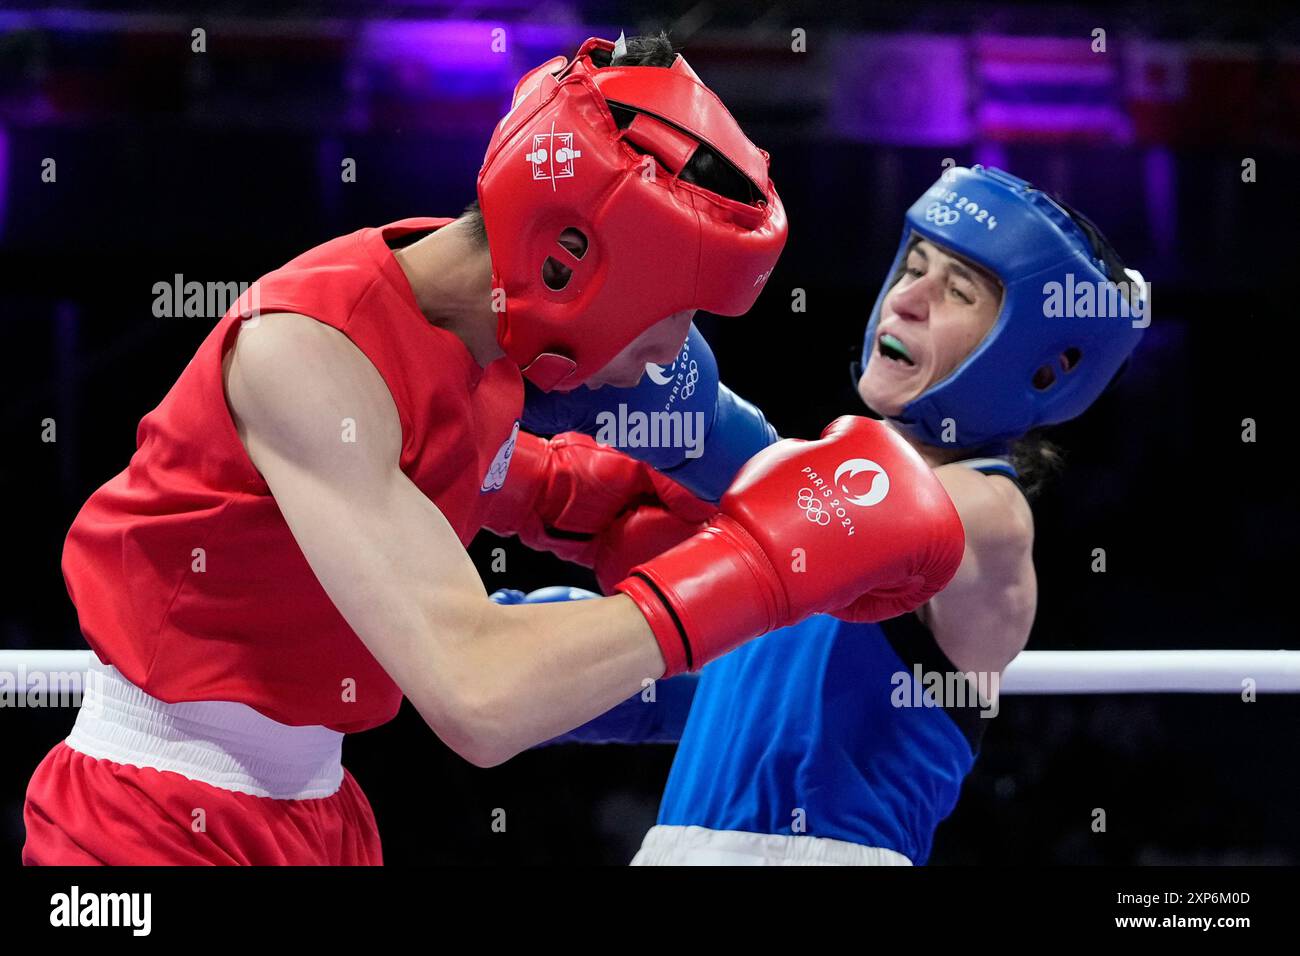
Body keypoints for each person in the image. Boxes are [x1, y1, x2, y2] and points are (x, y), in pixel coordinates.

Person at [21, 34, 964, 865]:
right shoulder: (304, 356)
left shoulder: (478, 343)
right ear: (569, 260)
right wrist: (758, 563)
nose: (676, 350)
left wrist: (611, 505)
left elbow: (479, 473)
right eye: (676, 308)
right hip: (147, 814)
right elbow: (479, 696)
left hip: (318, 809)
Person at [533, 165, 1148, 866]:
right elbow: (768, 691)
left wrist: (666, 402)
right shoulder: (817, 521)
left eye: (957, 291)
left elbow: (872, 512)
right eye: (913, 268)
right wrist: (531, 649)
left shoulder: (989, 514)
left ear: (1038, 367)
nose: (907, 300)